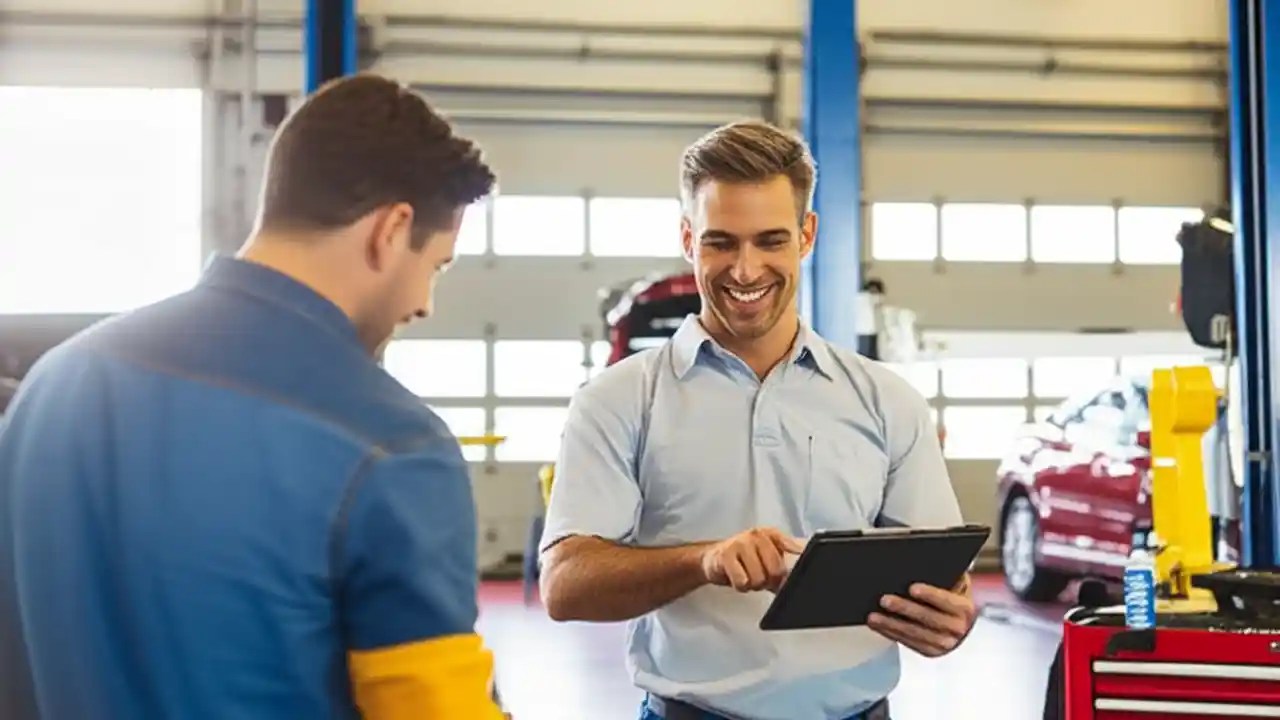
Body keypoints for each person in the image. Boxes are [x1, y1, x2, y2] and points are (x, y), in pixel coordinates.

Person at [0, 74, 506, 719]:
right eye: (434, 266)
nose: (424, 304)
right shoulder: (389, 442)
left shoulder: (56, 383)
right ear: (390, 229)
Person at [538, 120, 976, 720]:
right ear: (689, 239)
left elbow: (939, 576)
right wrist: (703, 560)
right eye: (721, 242)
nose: (745, 271)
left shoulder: (887, 399)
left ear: (807, 235)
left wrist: (950, 615)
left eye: (771, 240)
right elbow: (564, 584)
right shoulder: (618, 400)